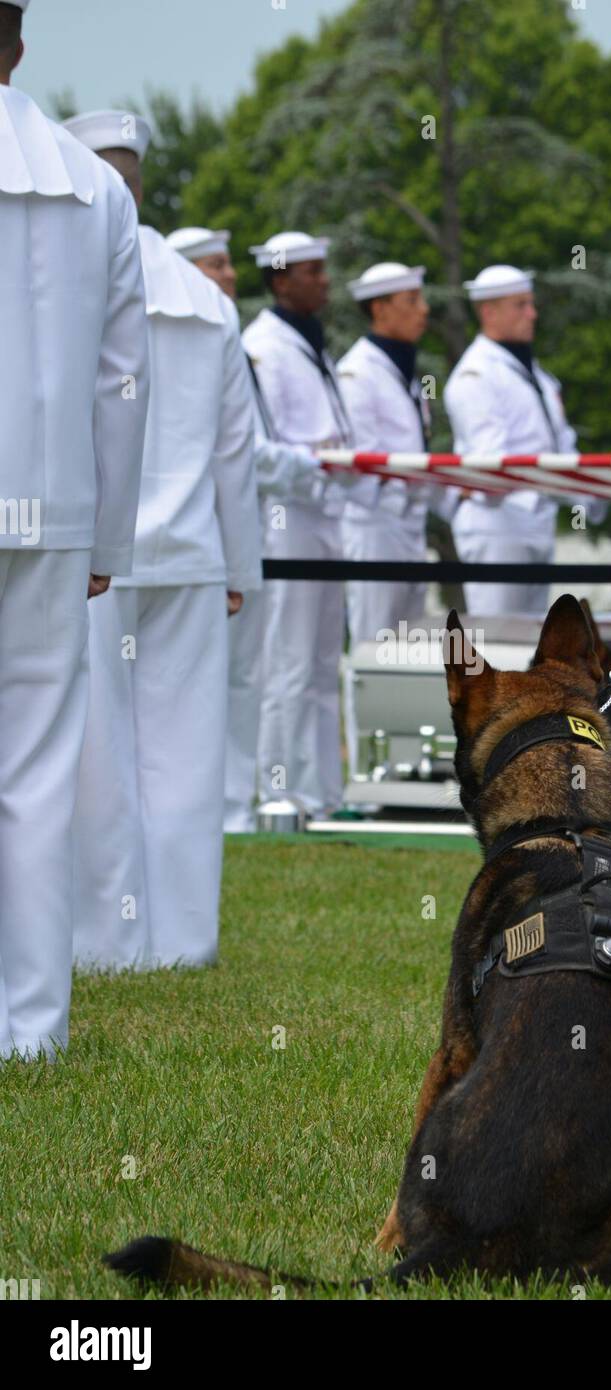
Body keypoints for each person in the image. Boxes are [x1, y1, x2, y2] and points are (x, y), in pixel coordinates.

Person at [65, 112, 260, 969]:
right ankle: (184, 939)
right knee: (187, 758)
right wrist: (240, 564)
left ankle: (109, 940)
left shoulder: (73, 272)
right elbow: (235, 452)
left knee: (99, 755)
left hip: (91, 550)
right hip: (189, 553)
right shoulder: (203, 295)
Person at [0, 5, 149, 1056]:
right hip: (48, 512)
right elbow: (122, 383)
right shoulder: (96, 186)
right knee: (37, 771)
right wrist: (105, 543)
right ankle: (29, 1026)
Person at [167, 225, 322, 832]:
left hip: (236, 530)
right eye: (215, 265)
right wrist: (309, 468)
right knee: (217, 681)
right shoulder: (195, 338)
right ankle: (221, 807)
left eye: (229, 265)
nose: (230, 276)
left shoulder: (222, 334)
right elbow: (242, 451)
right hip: (201, 533)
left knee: (241, 680)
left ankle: (233, 804)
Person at [243, 232, 353, 816]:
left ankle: (324, 794)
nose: (324, 280)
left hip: (324, 512)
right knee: (286, 663)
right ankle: (280, 792)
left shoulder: (311, 343)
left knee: (318, 664)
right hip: (288, 518)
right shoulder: (263, 346)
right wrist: (320, 463)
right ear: (281, 279)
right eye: (312, 271)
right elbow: (267, 448)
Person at [444, 264, 588, 617]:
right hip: (497, 523)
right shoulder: (475, 374)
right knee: (497, 640)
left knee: (529, 642)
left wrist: (589, 496)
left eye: (531, 303)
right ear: (488, 311)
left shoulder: (533, 372)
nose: (532, 313)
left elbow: (559, 444)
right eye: (520, 305)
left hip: (533, 518)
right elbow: (491, 460)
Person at [338, 261, 434, 646]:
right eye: (411, 300)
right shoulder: (357, 372)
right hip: (374, 523)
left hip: (409, 522)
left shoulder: (403, 367)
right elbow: (364, 460)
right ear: (379, 309)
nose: (424, 309)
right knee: (372, 644)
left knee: (407, 646)